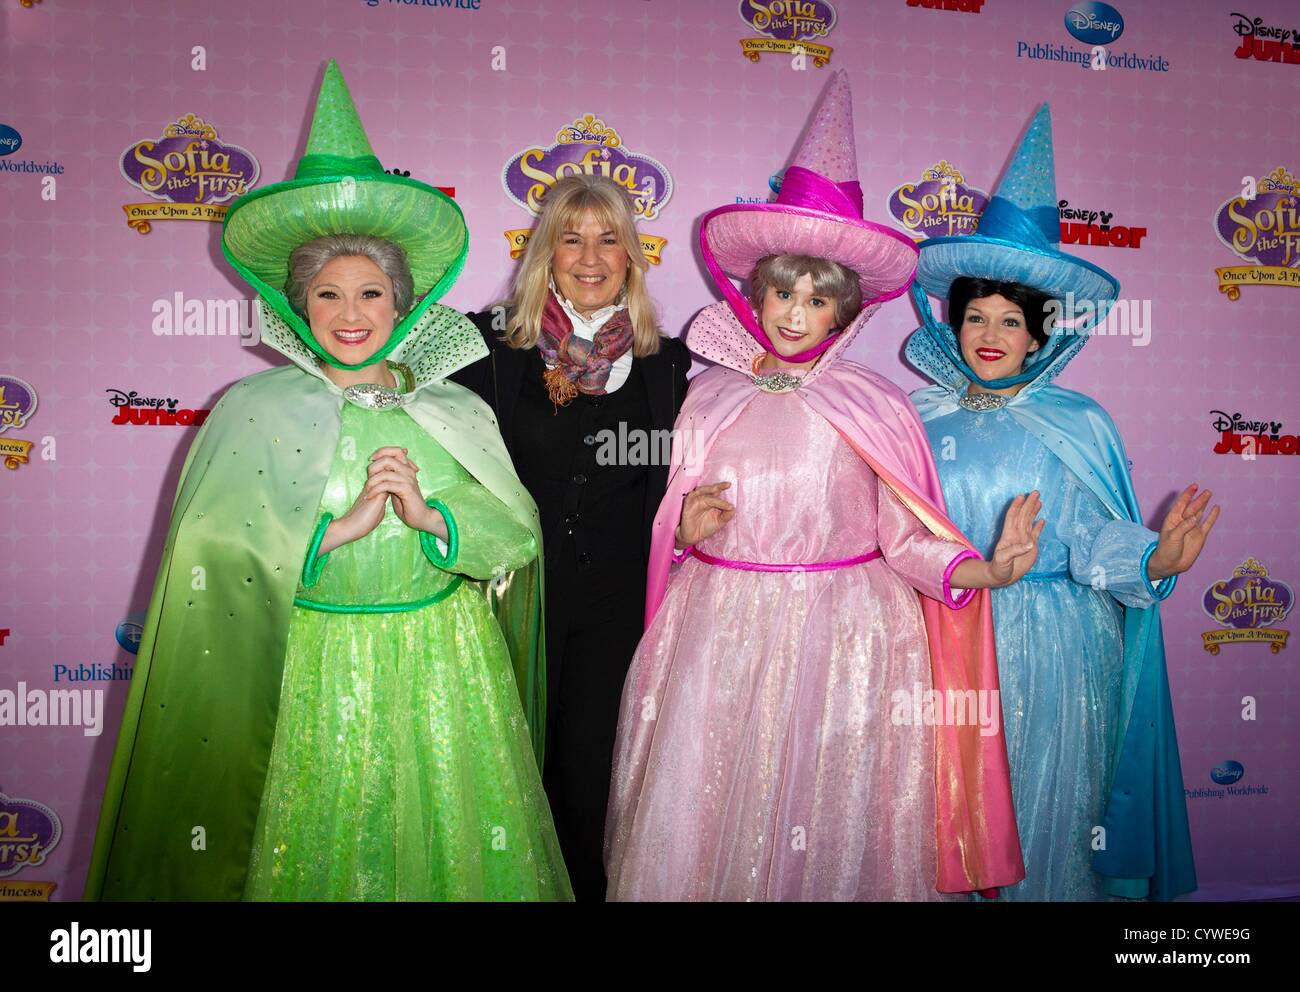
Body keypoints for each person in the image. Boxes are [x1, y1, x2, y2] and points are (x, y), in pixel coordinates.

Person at [84, 60, 571, 901]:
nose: (351, 314)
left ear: (404, 301)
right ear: (299, 308)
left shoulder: (450, 409)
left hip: (442, 662)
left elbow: (518, 539)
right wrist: (332, 533)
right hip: (311, 667)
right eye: (328, 294)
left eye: (371, 292)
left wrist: (431, 516)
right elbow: (214, 562)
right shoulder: (255, 409)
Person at [604, 72, 1032, 901]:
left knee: (829, 822)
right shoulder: (710, 390)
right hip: (721, 631)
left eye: (818, 298)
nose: (796, 312)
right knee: (708, 806)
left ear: (843, 313)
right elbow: (671, 523)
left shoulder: (871, 404)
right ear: (753, 294)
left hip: (848, 640)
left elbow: (909, 535)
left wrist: (985, 570)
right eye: (783, 292)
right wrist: (686, 525)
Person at [906, 105, 1215, 901]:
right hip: (946, 637)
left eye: (1011, 320)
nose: (989, 332)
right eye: (975, 315)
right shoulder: (913, 417)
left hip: (1053, 649)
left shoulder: (1077, 423)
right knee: (939, 824)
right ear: (953, 320)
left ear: (1040, 335)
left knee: (1045, 824)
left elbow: (1092, 538)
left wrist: (1155, 558)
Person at [451, 173, 689, 901]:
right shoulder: (487, 347)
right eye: (571, 238)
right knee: (504, 768)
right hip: (508, 599)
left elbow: (681, 478)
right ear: (544, 253)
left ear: (632, 256)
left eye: (609, 238)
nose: (590, 257)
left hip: (615, 610)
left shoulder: (666, 364)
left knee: (591, 778)